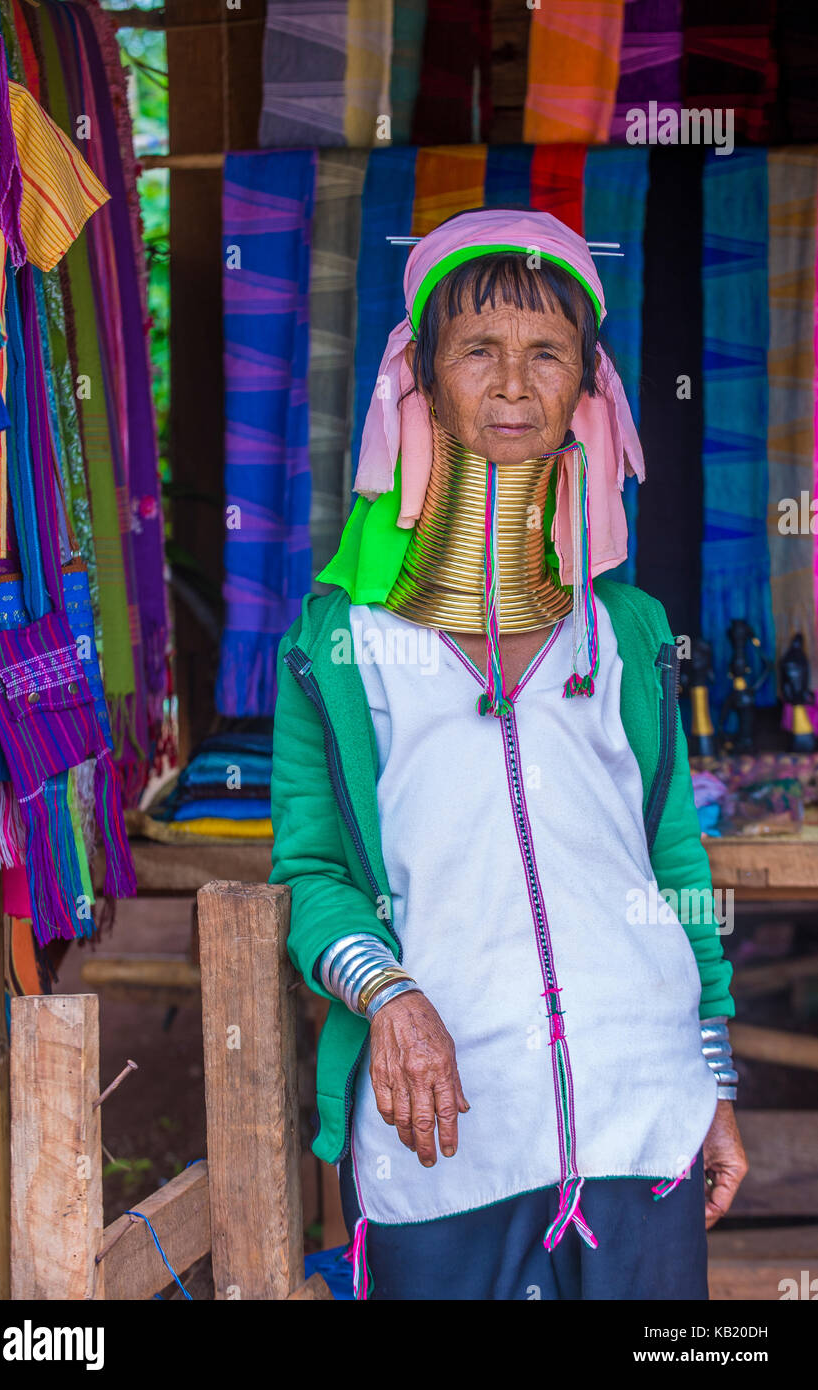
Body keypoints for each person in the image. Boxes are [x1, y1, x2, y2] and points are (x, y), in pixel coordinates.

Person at [269, 209, 745, 1301]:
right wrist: (387, 994)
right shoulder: (339, 642)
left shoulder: (624, 630)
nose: (513, 383)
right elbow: (312, 874)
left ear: (587, 391)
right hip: (442, 1134)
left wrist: (710, 1078)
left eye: (546, 353)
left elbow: (674, 868)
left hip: (643, 1117)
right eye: (478, 350)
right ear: (421, 382)